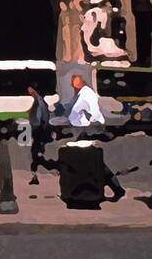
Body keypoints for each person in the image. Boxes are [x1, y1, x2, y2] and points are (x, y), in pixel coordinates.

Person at [66, 73, 124, 201]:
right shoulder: (82, 93)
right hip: (89, 130)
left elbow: (90, 111)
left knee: (87, 158)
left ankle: (110, 188)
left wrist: (90, 124)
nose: (73, 84)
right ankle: (114, 188)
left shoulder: (86, 93)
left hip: (91, 130)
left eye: (75, 82)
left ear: (81, 82)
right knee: (90, 160)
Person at [27, 84, 54, 185]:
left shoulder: (39, 102)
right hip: (39, 131)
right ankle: (35, 175)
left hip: (39, 130)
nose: (30, 93)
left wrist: (37, 127)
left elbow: (40, 118)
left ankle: (37, 174)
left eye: (31, 91)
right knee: (37, 152)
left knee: (36, 153)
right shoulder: (39, 101)